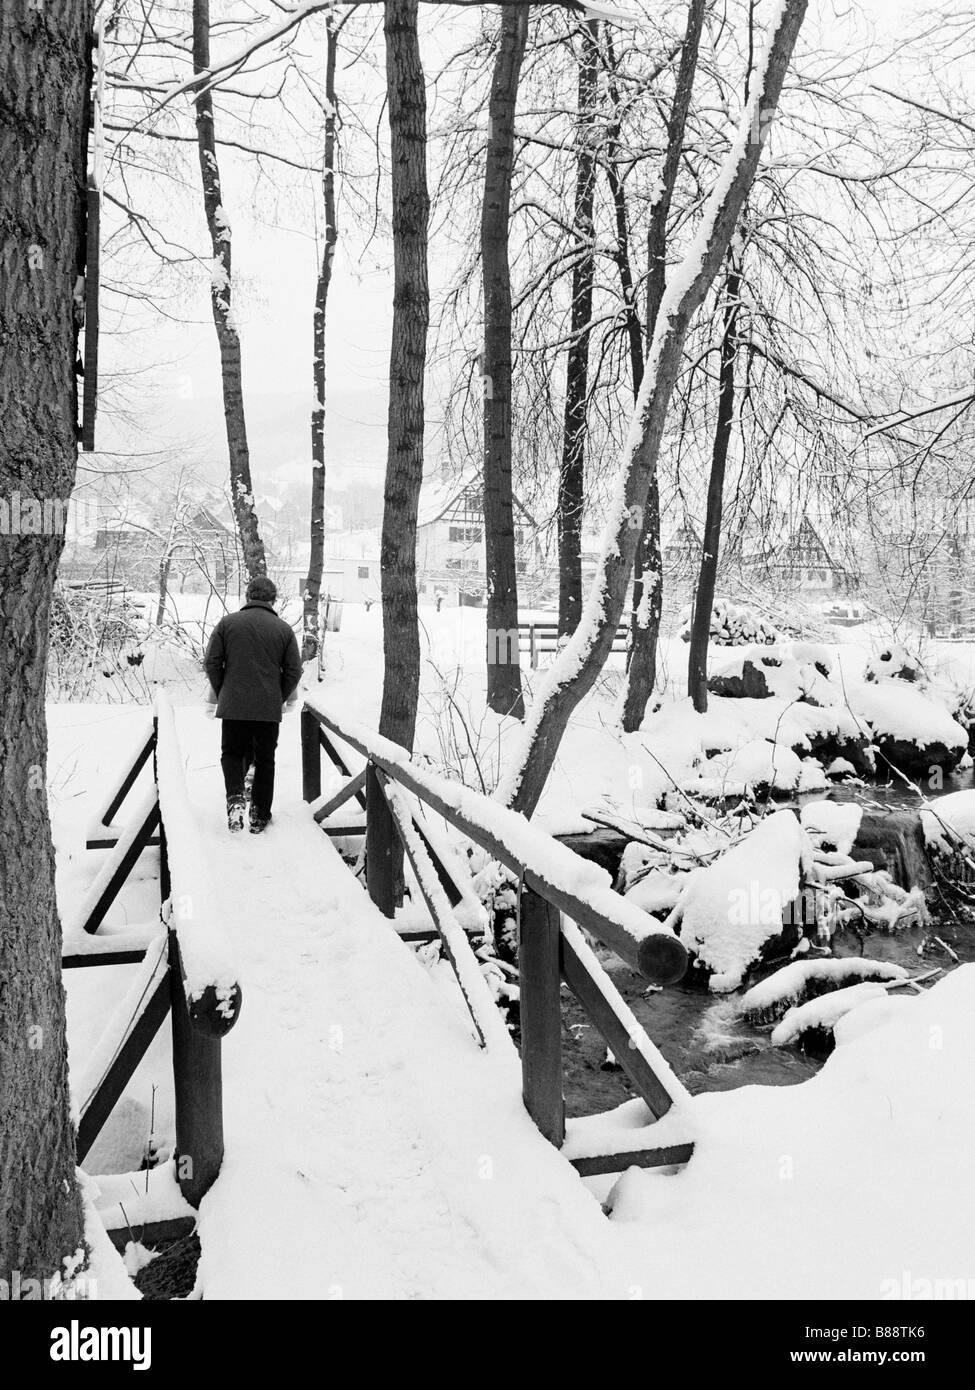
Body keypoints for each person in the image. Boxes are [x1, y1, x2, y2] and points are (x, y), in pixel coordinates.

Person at [204, 576, 302, 834]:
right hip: (267, 710)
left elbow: (211, 662)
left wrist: (224, 688)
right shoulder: (283, 629)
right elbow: (294, 670)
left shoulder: (227, 624)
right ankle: (259, 814)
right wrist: (276, 695)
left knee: (232, 753)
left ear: (248, 597)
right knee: (265, 759)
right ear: (273, 600)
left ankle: (235, 798)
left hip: (234, 705)